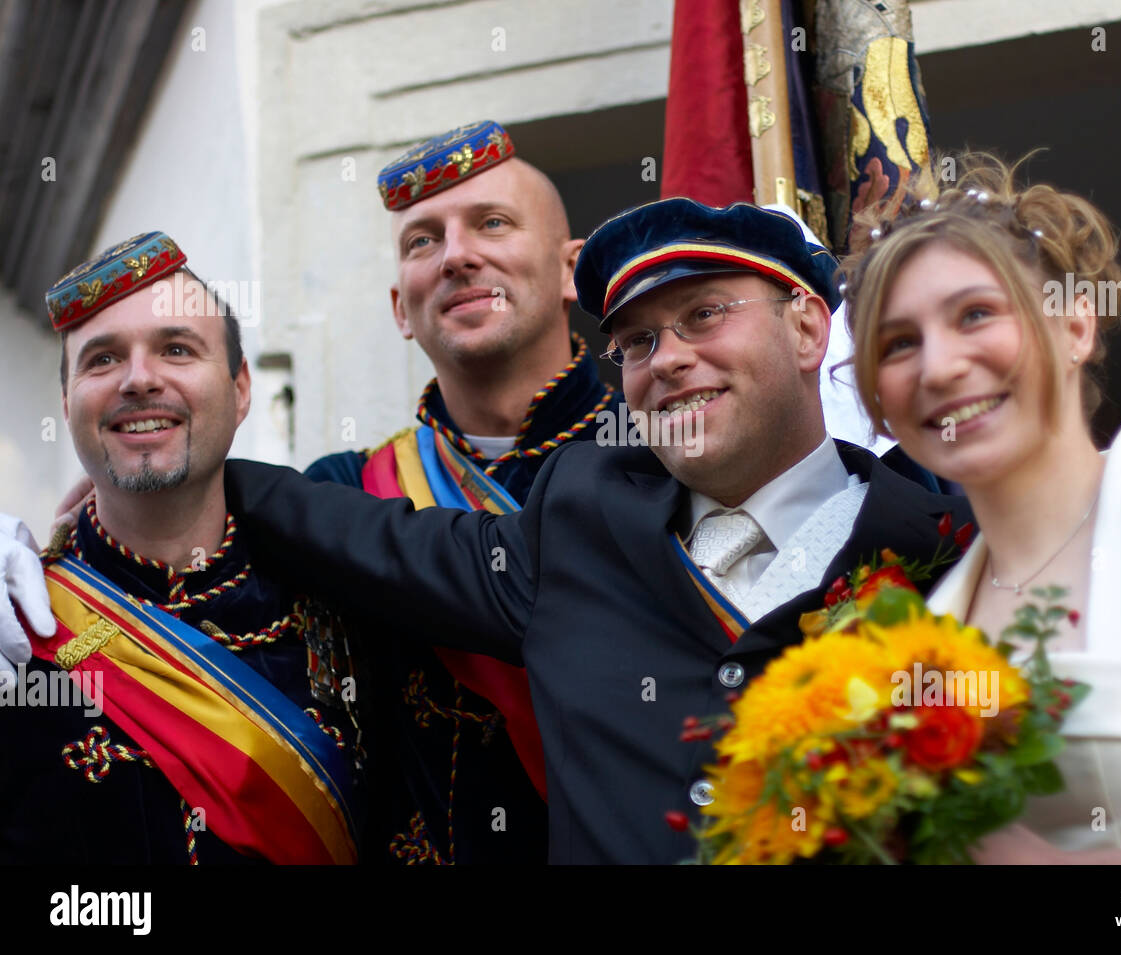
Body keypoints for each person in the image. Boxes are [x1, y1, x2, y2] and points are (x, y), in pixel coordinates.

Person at [187, 198, 971, 864]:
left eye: (702, 315)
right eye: (637, 342)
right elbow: (368, 537)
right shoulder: (579, 521)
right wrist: (169, 480)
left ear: (805, 330)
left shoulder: (946, 550)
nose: (666, 360)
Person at [843, 154, 1121, 861]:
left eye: (976, 314)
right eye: (898, 343)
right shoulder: (924, 629)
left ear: (1076, 328)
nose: (938, 367)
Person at [0, 233, 363, 864]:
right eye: (102, 359)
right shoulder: (17, 633)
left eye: (175, 348)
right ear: (67, 403)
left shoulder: (347, 590)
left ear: (240, 388)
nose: (139, 380)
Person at [306, 121, 612, 864]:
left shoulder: (670, 452)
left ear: (574, 270)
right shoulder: (343, 490)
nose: (457, 256)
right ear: (399, 309)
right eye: (422, 241)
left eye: (492, 223)